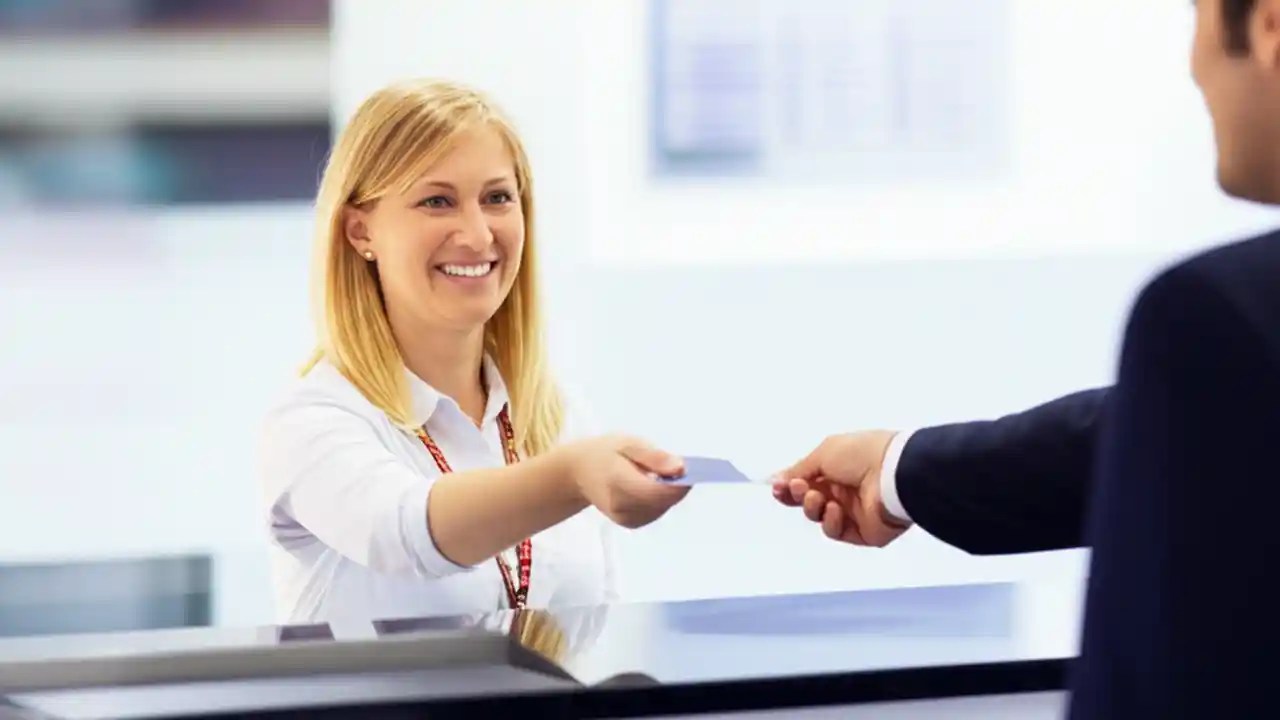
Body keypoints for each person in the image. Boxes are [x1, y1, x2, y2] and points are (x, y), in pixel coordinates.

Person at [773, 0, 1280, 716]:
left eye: (1195, 13)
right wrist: (900, 471)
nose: (1193, 65)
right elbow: (1177, 433)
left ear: (1269, 28)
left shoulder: (1213, 312)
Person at [257, 79, 690, 624]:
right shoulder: (312, 420)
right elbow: (405, 534)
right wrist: (570, 477)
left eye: (497, 198)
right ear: (360, 231)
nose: (479, 235)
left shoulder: (557, 418)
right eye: (437, 201)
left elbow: (597, 632)